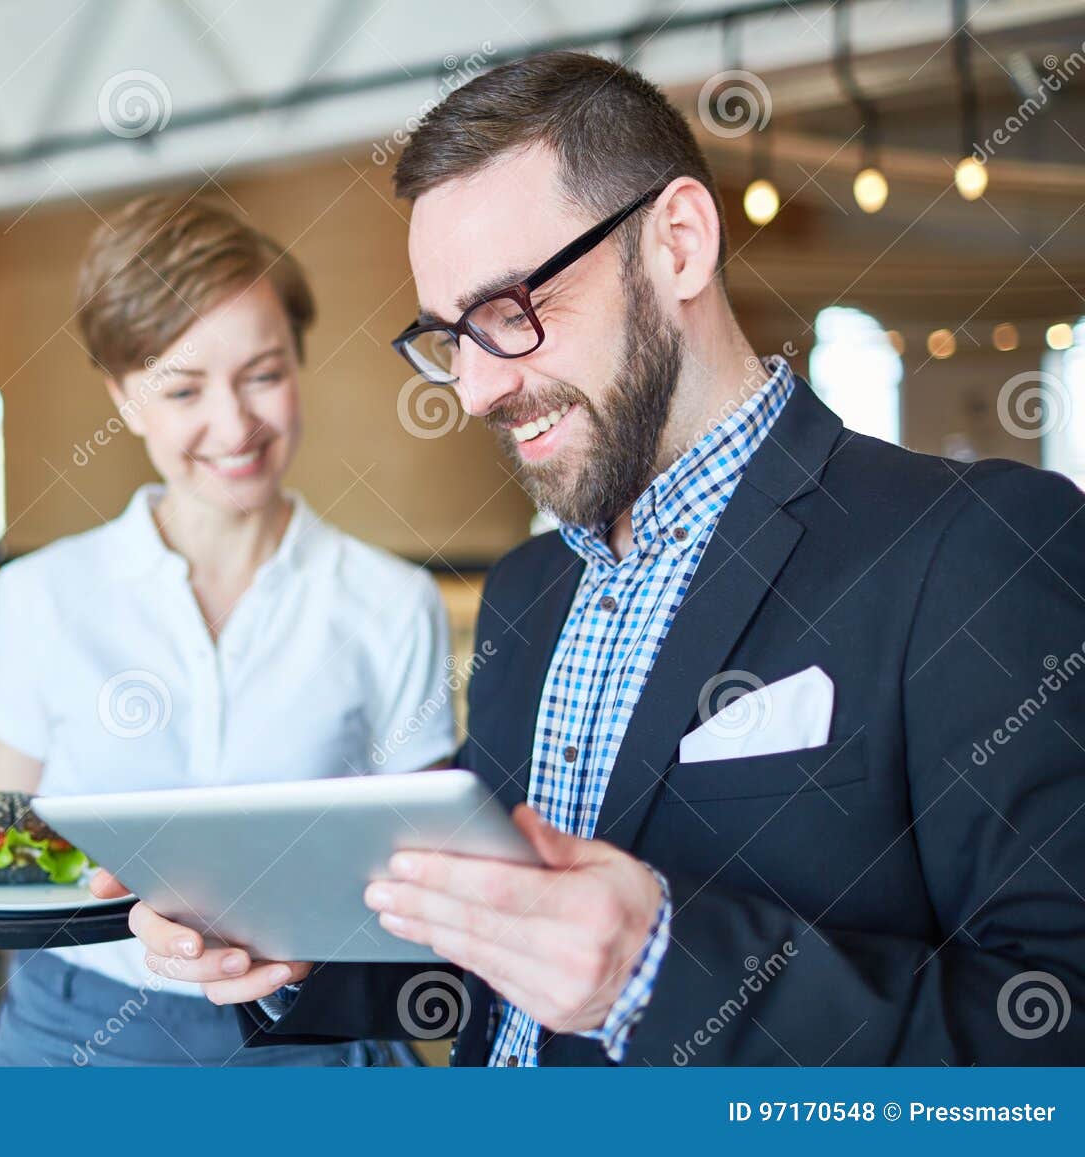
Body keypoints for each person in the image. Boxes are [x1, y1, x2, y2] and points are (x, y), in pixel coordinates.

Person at [106, 50, 1085, 1066]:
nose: (477, 389)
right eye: (449, 336)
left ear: (677, 243)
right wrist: (290, 934)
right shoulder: (529, 591)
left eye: (509, 311)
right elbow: (493, 946)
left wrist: (657, 970)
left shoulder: (977, 549)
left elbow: (1054, 1029)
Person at [0, 195, 456, 1066]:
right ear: (125, 397)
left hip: (314, 1028)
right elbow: (10, 847)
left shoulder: (392, 602)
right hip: (78, 1025)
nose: (235, 426)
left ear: (299, 365)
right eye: (185, 388)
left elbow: (422, 882)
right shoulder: (41, 595)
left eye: (263, 374)